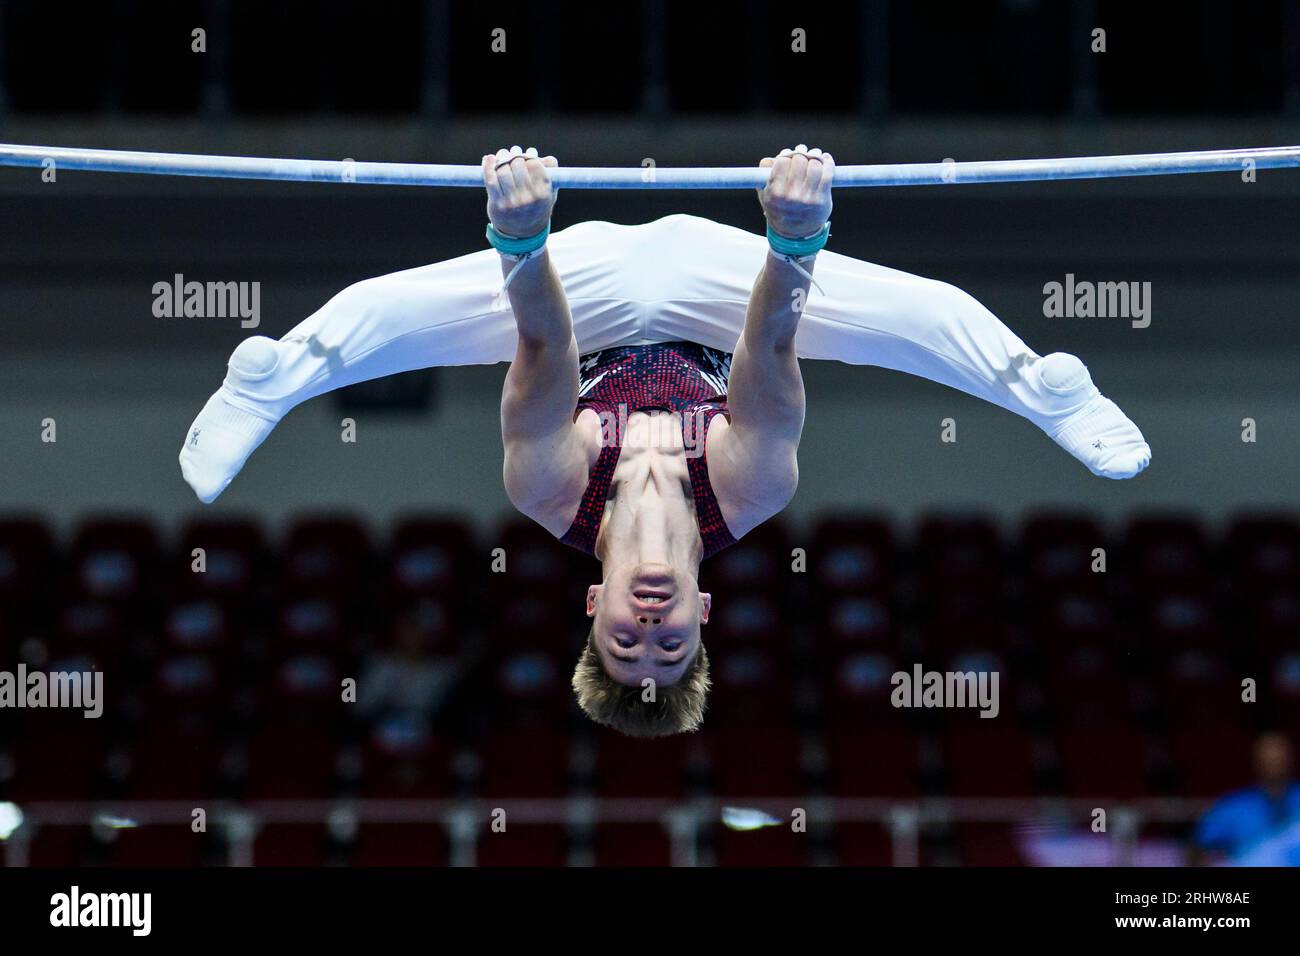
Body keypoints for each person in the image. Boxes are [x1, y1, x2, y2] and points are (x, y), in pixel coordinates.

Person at [179, 144, 1150, 736]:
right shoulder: (749, 491)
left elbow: (541, 341)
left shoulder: (550, 493)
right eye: (668, 644)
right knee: (913, 314)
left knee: (390, 312)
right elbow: (772, 339)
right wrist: (797, 236)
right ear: (703, 612)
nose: (649, 626)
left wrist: (519, 238)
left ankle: (272, 376)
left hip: (584, 300)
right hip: (715, 296)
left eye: (625, 640)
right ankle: (1043, 387)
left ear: (593, 603)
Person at [1194, 731, 1300, 864]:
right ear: (1256, 761)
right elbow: (1198, 848)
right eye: (1267, 757)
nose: (1274, 762)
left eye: (1279, 756)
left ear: (1291, 759)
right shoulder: (1232, 806)